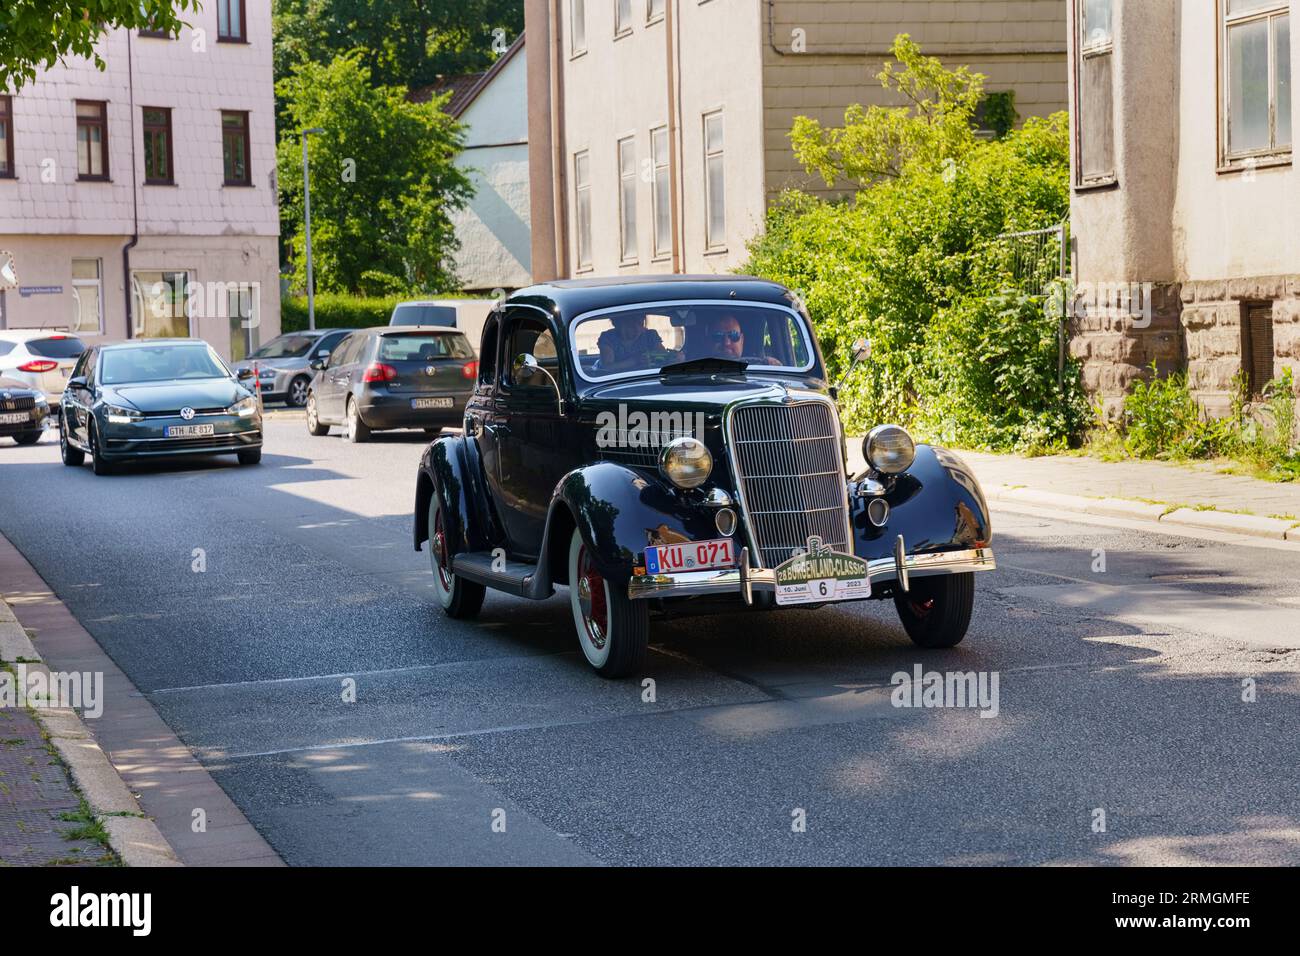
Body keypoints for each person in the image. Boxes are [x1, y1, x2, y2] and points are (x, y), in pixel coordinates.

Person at [597, 314, 668, 372]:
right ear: (617, 324)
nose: (637, 329)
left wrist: (674, 358)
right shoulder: (608, 337)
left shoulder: (650, 335)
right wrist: (635, 360)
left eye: (640, 324)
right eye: (630, 325)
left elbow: (664, 356)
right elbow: (607, 367)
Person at [704, 314, 781, 365]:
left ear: (742, 340)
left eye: (734, 336)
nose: (727, 343)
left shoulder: (761, 369)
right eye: (718, 336)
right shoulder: (694, 370)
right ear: (708, 341)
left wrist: (771, 364)